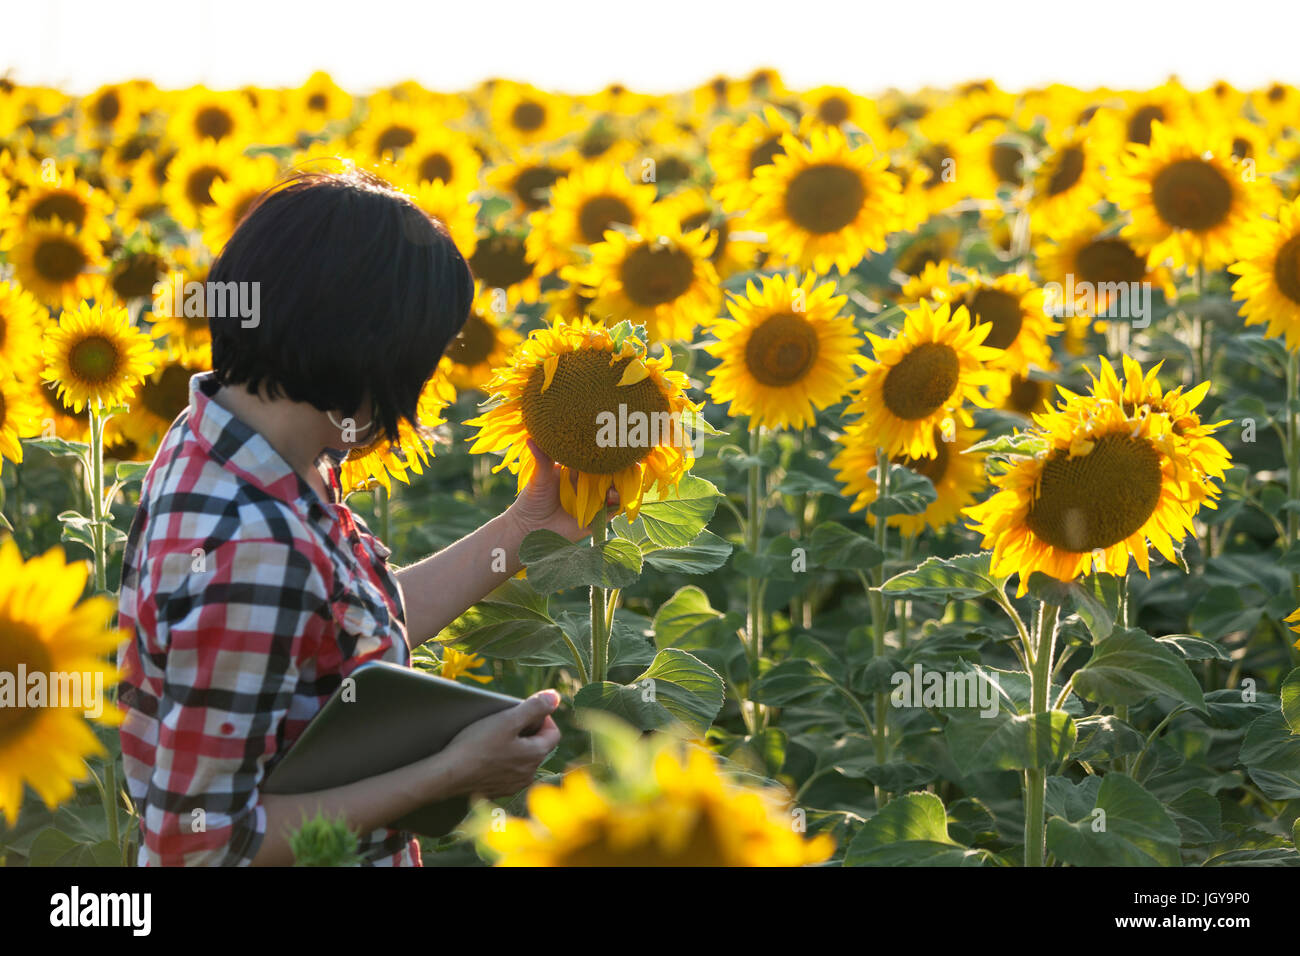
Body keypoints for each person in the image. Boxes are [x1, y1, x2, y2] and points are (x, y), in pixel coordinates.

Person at [116, 167, 612, 866]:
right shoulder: (252, 544)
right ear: (373, 348)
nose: (426, 383)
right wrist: (451, 773)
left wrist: (526, 529)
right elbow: (198, 846)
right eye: (425, 358)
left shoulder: (226, 440)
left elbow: (332, 622)